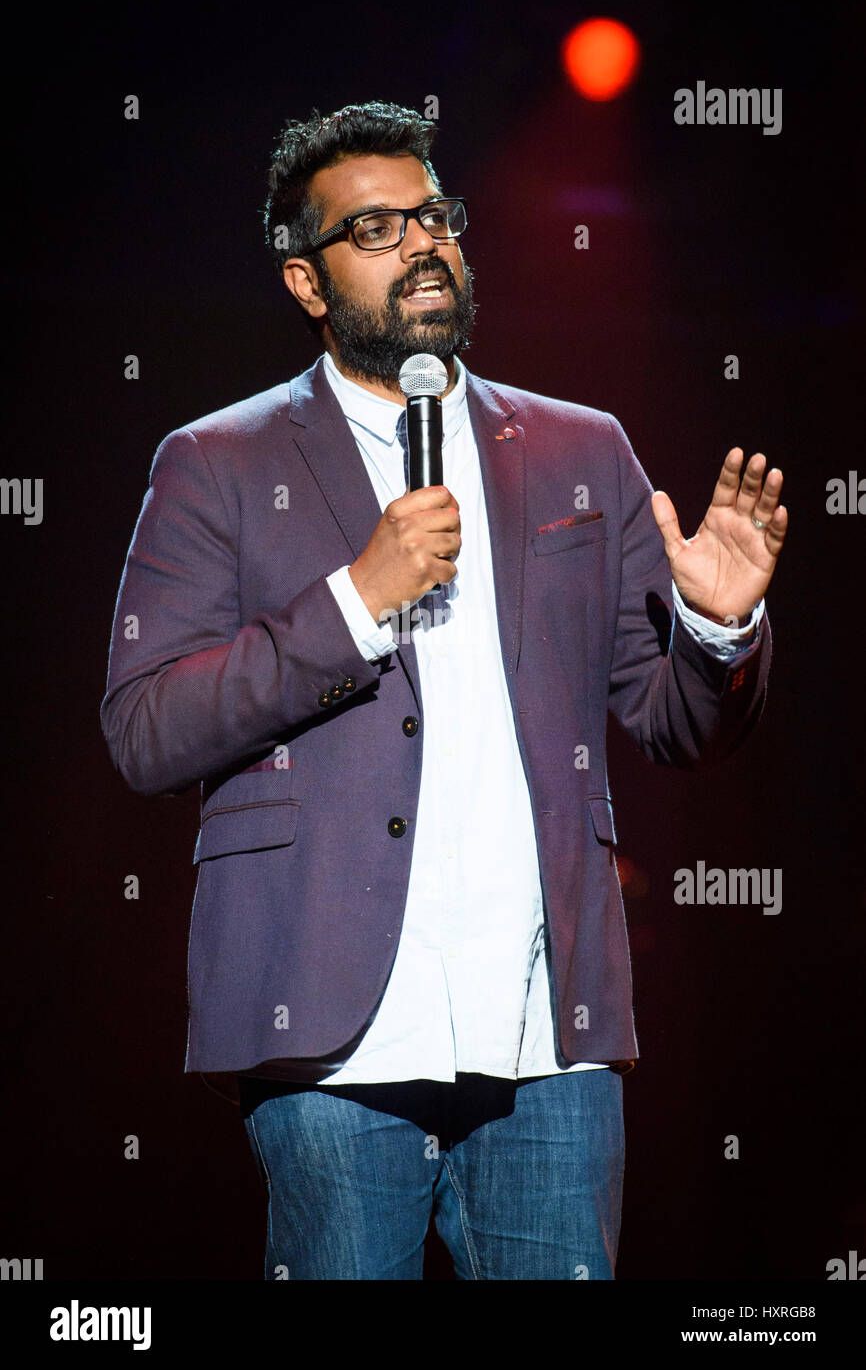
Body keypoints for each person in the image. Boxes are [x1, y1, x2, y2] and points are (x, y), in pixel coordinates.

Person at [100, 101, 787, 1280]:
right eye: (373, 229)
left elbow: (673, 722)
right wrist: (354, 602)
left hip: (545, 1040)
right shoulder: (217, 461)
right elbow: (146, 726)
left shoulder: (580, 449)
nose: (421, 243)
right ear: (307, 283)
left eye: (433, 216)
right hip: (329, 1040)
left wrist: (720, 628)